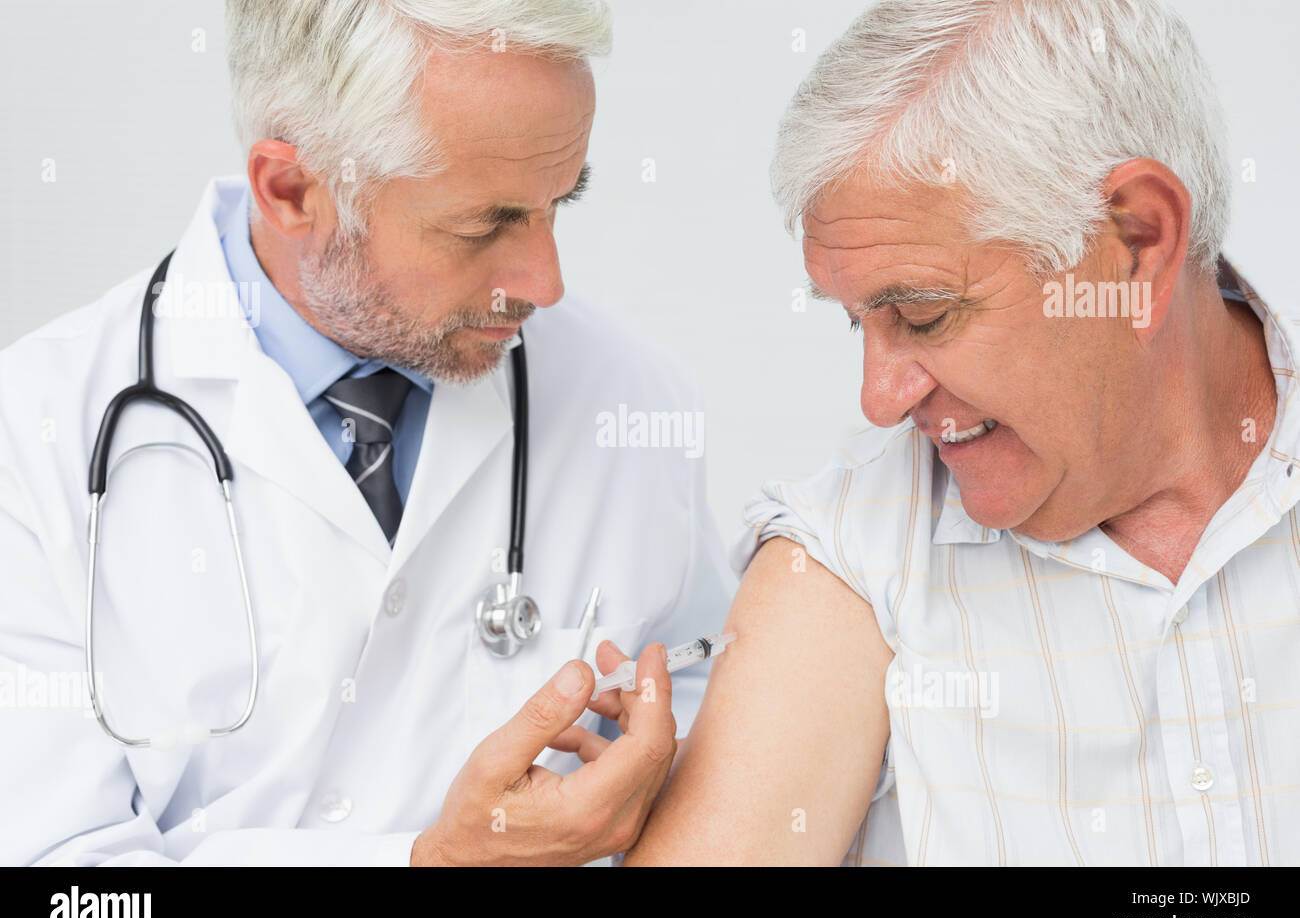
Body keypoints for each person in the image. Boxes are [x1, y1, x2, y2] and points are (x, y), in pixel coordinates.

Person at [0, 0, 734, 866]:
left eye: (557, 202)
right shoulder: (35, 434)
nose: (545, 281)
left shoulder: (627, 399)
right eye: (485, 224)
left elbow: (703, 709)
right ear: (292, 192)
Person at [626, 0, 1298, 866]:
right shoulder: (850, 562)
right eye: (859, 322)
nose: (878, 397)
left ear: (1136, 243)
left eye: (924, 313)